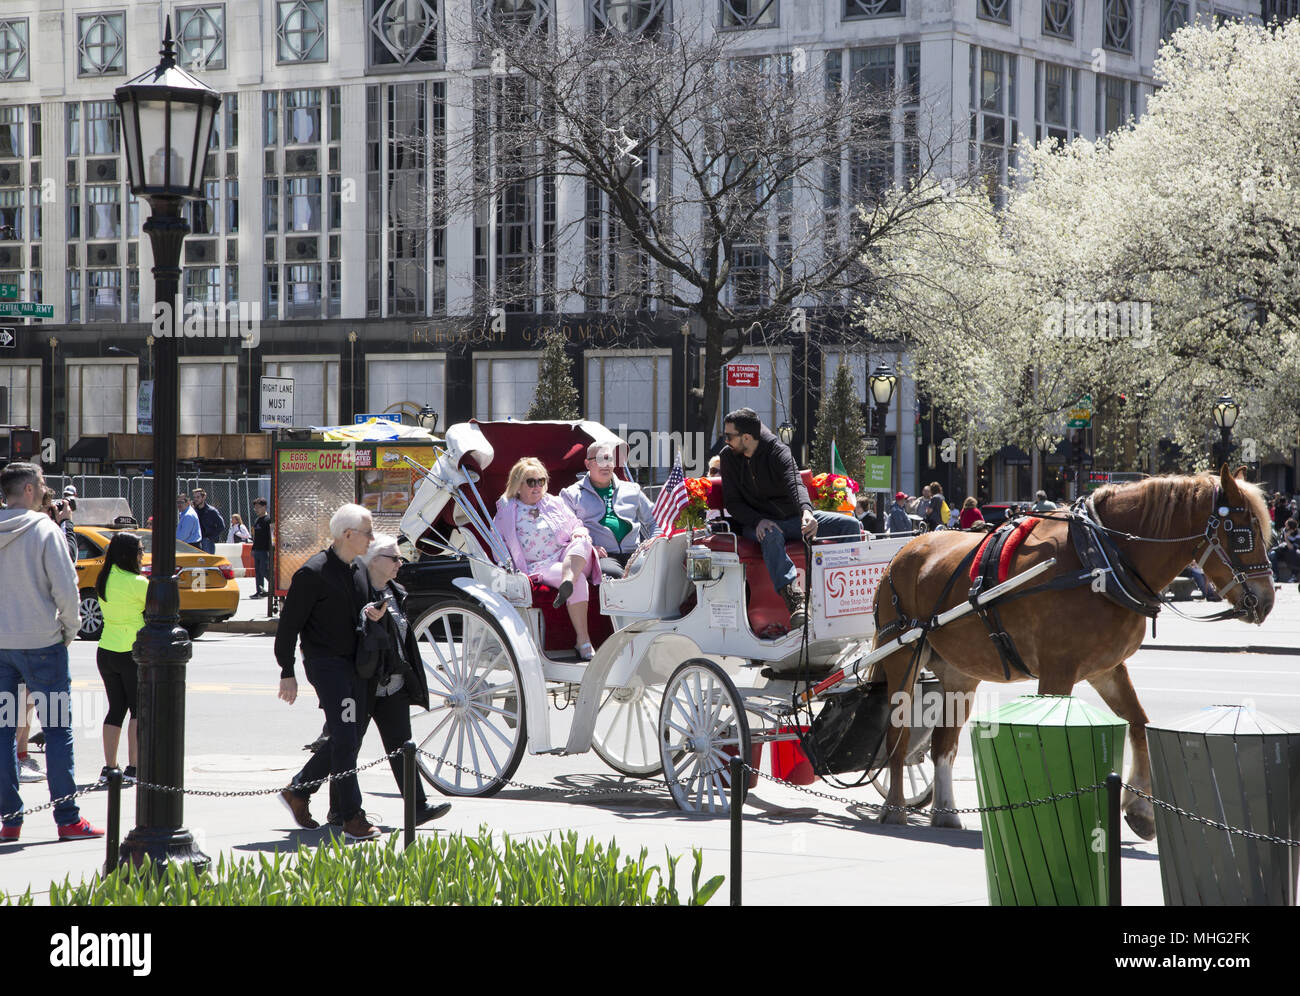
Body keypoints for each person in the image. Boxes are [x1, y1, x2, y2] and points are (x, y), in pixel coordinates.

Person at [0, 462, 104, 842]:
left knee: (3, 732)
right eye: (41, 483)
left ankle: (10, 821)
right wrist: (69, 630)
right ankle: (67, 818)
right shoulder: (45, 529)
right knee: (58, 731)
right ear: (28, 489)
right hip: (43, 646)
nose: (46, 489)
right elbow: (66, 586)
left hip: (1, 649)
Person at [317, 534, 451, 827]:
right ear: (374, 560)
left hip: (392, 684)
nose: (400, 563)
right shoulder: (353, 591)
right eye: (394, 558)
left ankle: (417, 807)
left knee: (402, 746)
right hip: (360, 684)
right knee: (346, 746)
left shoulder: (396, 591)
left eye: (401, 558)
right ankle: (337, 809)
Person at [276, 503, 383, 841]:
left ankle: (299, 790)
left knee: (344, 737)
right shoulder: (313, 572)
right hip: (327, 666)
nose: (371, 538)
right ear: (348, 535)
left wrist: (372, 613)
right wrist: (287, 671)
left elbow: (359, 612)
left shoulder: (359, 569)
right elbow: (288, 627)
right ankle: (352, 816)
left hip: (356, 665)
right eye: (367, 532)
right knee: (347, 737)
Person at [719, 407, 861, 629]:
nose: (726, 441)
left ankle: (844, 595)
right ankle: (795, 600)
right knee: (771, 533)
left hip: (793, 518)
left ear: (746, 437)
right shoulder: (728, 458)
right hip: (755, 523)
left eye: (729, 436)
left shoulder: (777, 451)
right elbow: (732, 502)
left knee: (850, 525)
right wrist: (758, 520)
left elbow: (795, 482)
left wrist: (807, 512)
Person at [494, 458, 601, 659]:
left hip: (567, 554)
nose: (537, 487)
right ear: (518, 485)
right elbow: (497, 546)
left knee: (583, 541)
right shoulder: (506, 512)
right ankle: (583, 640)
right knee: (577, 582)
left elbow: (576, 523)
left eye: (541, 481)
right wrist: (506, 570)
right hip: (539, 566)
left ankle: (568, 578)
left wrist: (578, 532)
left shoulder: (554, 502)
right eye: (531, 482)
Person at [93, 531, 147, 784]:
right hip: (131, 650)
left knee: (116, 709)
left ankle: (109, 767)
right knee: (138, 709)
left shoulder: (104, 578)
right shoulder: (137, 582)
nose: (143, 554)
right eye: (139, 550)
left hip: (106, 650)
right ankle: (134, 768)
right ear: (128, 554)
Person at [561, 441, 658, 580]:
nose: (606, 464)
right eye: (600, 459)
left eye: (609, 459)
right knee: (614, 575)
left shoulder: (632, 489)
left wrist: (655, 539)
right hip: (600, 555)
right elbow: (564, 532)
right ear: (588, 464)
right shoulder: (571, 494)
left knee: (649, 570)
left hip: (635, 552)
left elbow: (655, 519)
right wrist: (590, 548)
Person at [191, 488, 225, 555]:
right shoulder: (193, 511)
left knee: (207, 563)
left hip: (206, 541)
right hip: (195, 541)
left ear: (204, 497)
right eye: (194, 497)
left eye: (198, 497)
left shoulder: (211, 511)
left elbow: (221, 526)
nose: (195, 499)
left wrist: (210, 537)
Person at [250, 497, 272, 598]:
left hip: (265, 550)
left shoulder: (268, 520)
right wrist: (253, 548)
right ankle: (259, 591)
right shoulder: (257, 520)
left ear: (264, 507)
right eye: (255, 508)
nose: (256, 510)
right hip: (257, 549)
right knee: (258, 572)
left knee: (264, 570)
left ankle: (273, 586)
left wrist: (271, 550)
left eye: (258, 507)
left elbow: (272, 536)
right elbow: (255, 536)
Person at [1269, 518, 1300, 582]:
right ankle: (1275, 575)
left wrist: (1286, 538)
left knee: (1295, 554)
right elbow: (1281, 543)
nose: (1285, 528)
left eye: (1287, 526)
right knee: (1272, 554)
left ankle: (1293, 576)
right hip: (1282, 550)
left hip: (1291, 552)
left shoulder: (1297, 535)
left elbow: (1291, 547)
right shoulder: (1284, 531)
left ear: (1292, 528)